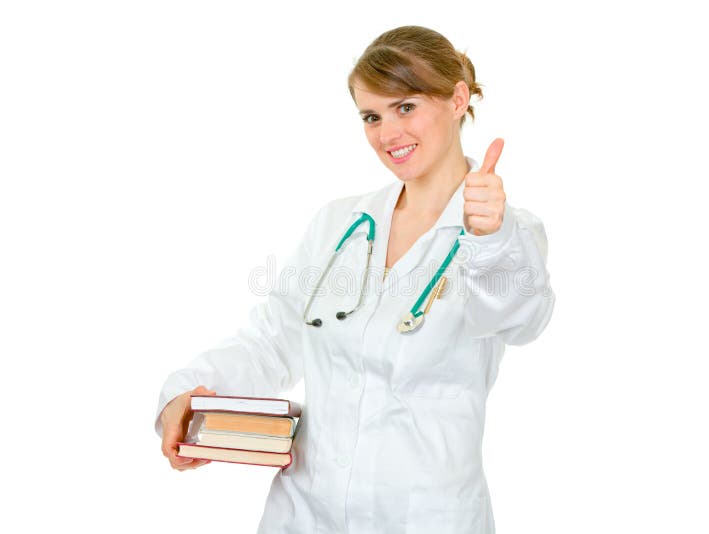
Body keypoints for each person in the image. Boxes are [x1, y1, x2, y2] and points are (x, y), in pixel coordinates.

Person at [155, 25, 556, 534]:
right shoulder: (340, 224)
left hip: (425, 517)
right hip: (305, 512)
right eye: (372, 116)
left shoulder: (506, 235)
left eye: (405, 107)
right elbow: (274, 339)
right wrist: (186, 393)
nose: (388, 135)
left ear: (457, 99)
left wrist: (491, 238)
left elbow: (523, 321)